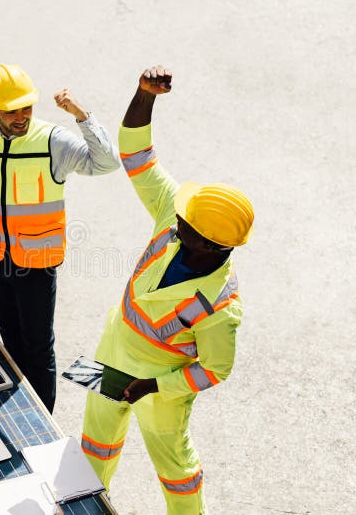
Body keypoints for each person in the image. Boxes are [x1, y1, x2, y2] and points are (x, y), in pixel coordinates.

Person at [80, 66, 255, 514]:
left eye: (185, 222)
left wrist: (156, 386)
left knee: (175, 470)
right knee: (93, 448)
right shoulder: (174, 220)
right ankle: (82, 506)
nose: (175, 216)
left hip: (159, 390)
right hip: (113, 353)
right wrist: (144, 95)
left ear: (210, 244)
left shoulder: (221, 306)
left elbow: (215, 369)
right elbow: (137, 157)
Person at [0, 64, 119, 412]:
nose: (21, 117)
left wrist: (81, 115)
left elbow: (106, 163)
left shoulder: (51, 141)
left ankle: (43, 421)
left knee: (38, 346)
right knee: (8, 334)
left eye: (26, 108)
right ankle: (17, 409)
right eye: (12, 111)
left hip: (36, 264)